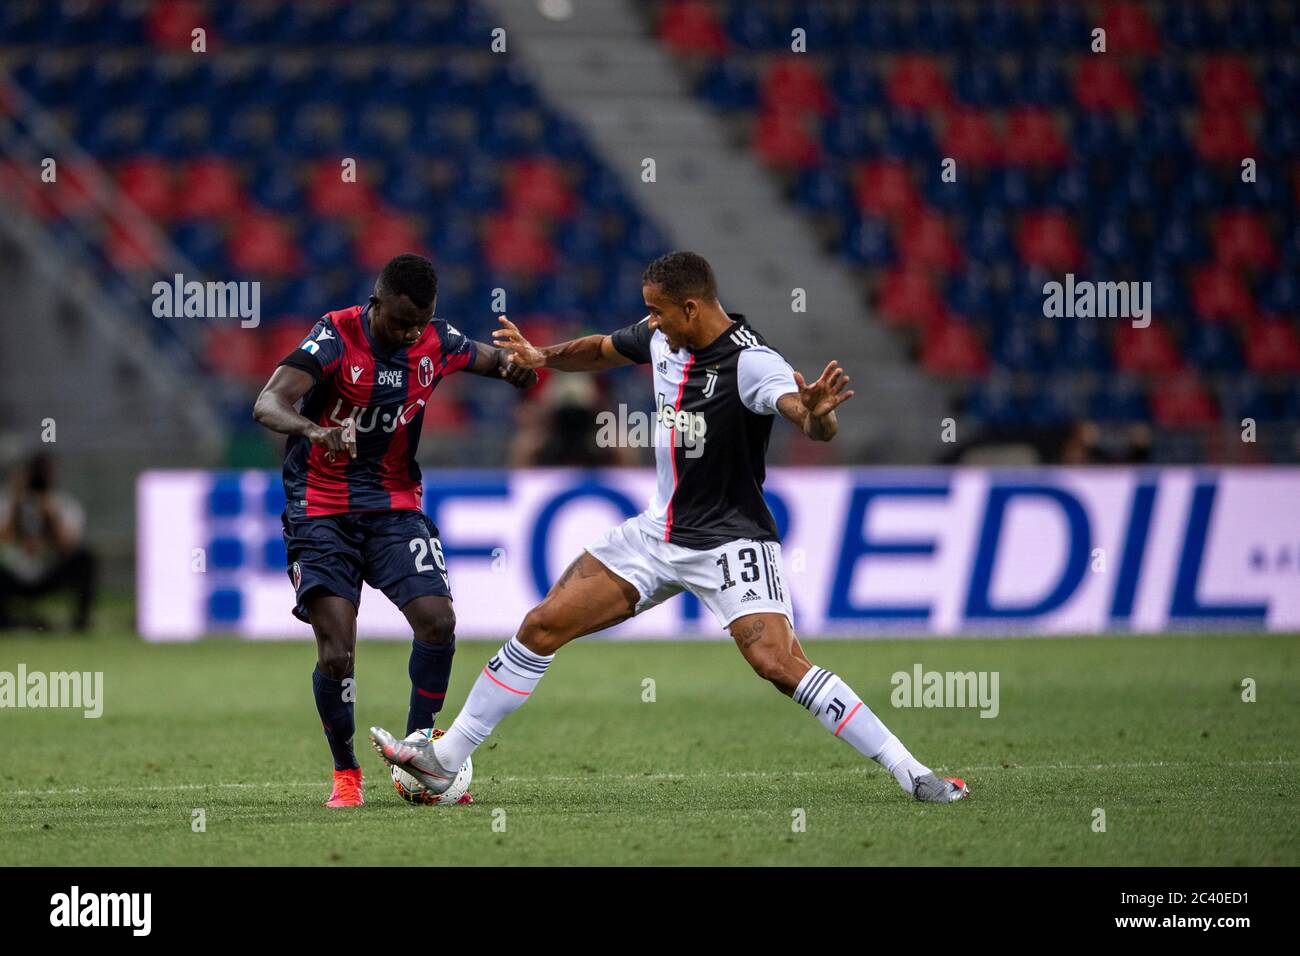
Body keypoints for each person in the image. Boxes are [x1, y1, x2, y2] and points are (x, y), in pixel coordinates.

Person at [370, 251, 968, 804]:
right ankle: (444, 759)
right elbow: (605, 348)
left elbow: (802, 414)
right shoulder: (662, 337)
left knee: (778, 664)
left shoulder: (753, 362)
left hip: (732, 540)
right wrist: (546, 357)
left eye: (657, 310)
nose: (649, 321)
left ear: (691, 307)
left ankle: (912, 773)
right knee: (542, 624)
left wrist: (816, 418)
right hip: (658, 534)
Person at [252, 253, 536, 808]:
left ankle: (421, 749)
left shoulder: (436, 340)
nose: (410, 334)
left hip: (392, 506)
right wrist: (315, 431)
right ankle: (346, 774)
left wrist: (514, 367)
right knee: (337, 655)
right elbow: (268, 402)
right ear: (375, 303)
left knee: (438, 620)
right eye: (400, 321)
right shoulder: (336, 337)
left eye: (420, 322)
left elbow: (487, 358)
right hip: (320, 508)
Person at [0, 454, 97, 631]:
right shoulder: (9, 502)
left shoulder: (64, 504)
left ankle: (80, 623)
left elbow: (68, 545)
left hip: (49, 570)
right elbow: (4, 538)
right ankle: (6, 623)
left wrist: (50, 512)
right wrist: (16, 501)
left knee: (86, 558)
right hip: (15, 570)